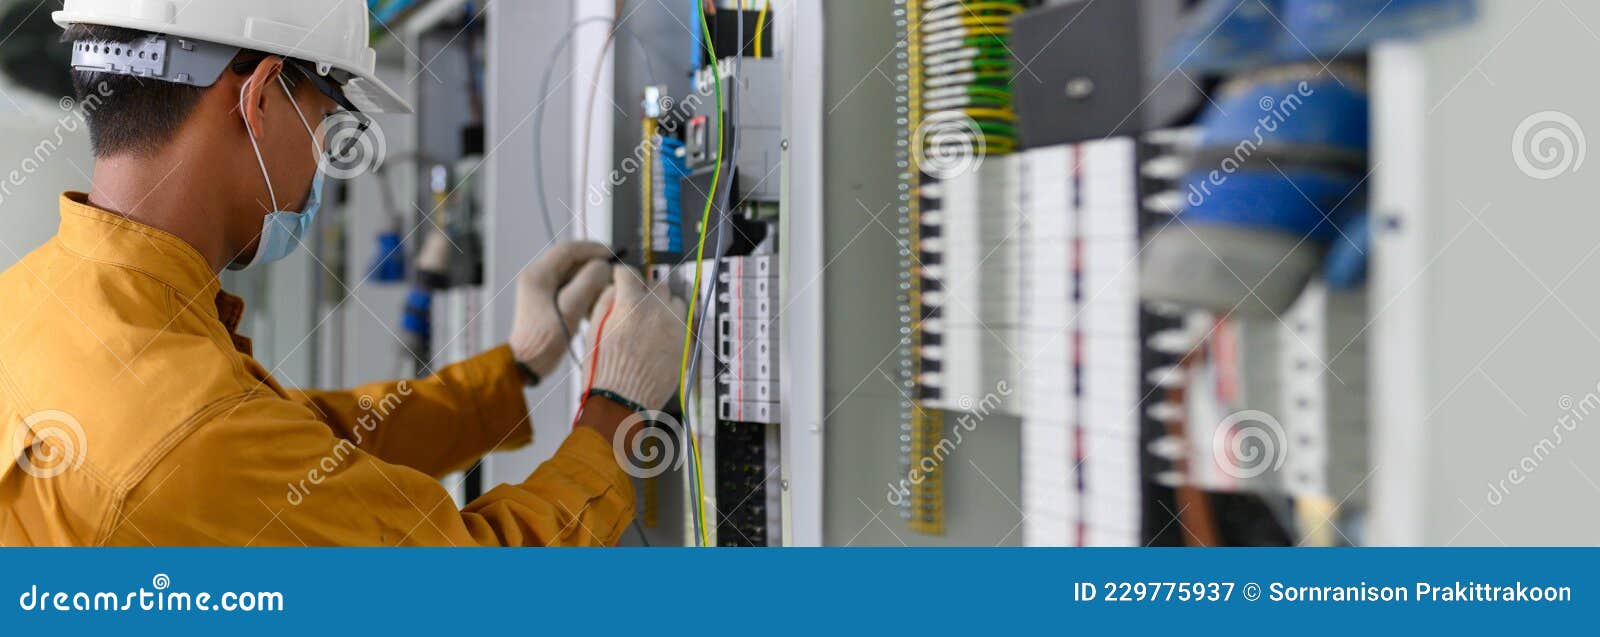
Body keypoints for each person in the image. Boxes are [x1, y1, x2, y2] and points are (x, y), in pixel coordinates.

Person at [0, 0, 687, 546]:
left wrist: (516, 370)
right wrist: (617, 412)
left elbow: (309, 445)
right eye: (327, 122)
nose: (322, 164)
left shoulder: (36, 298)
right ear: (261, 97)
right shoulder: (186, 432)